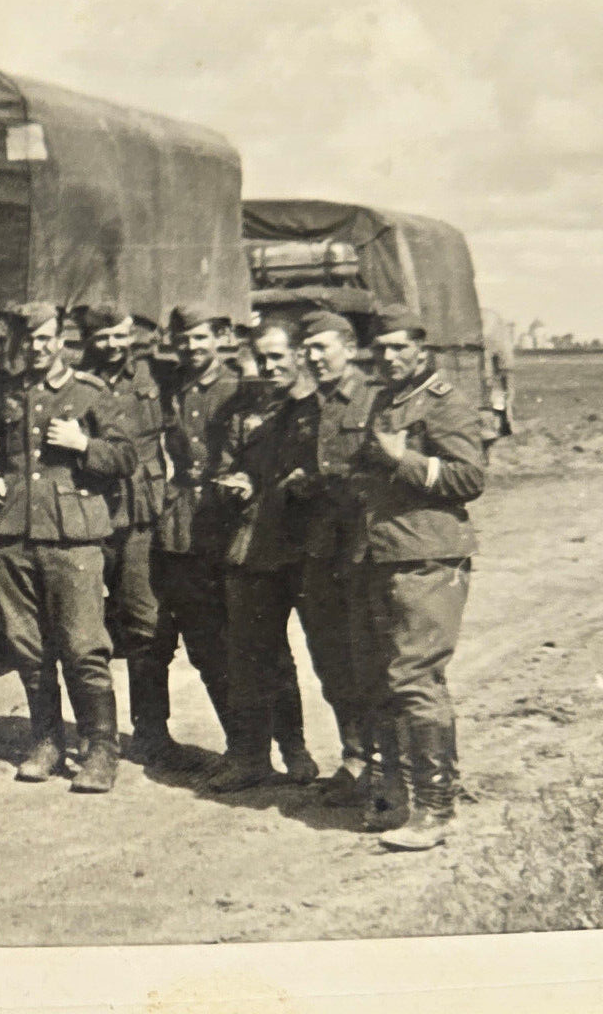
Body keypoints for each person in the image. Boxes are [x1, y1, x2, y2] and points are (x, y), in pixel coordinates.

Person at [0, 302, 136, 793]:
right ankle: (46, 739)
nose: (38, 348)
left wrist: (83, 445)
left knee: (84, 645)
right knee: (28, 646)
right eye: (29, 341)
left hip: (72, 536)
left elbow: (127, 456)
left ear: (63, 341)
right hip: (12, 532)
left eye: (47, 339)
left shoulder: (90, 392)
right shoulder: (5, 390)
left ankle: (101, 746)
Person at [353, 304, 487, 851]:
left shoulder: (445, 403)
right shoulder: (387, 400)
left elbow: (471, 477)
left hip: (429, 557)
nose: (387, 357)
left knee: (415, 676)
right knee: (391, 677)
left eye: (398, 347)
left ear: (421, 349)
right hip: (387, 553)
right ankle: (404, 798)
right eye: (380, 348)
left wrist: (403, 459)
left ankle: (436, 809)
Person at [206, 319, 324, 791]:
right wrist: (234, 485)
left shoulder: (318, 408)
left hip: (311, 548)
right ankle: (254, 755)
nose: (270, 367)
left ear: (299, 355)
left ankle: (334, 758)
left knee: (333, 657)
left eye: (279, 357)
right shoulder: (241, 412)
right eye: (263, 358)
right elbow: (223, 466)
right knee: (254, 655)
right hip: (256, 544)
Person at [287, 310, 382, 805]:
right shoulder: (309, 406)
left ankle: (382, 767)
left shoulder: (375, 398)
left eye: (323, 347)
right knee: (331, 659)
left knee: (370, 656)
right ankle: (354, 758)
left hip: (364, 550)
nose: (314, 357)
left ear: (349, 347)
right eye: (308, 349)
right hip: (320, 550)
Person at [74, 304, 171, 764]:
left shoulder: (158, 373)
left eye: (119, 336)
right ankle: (95, 734)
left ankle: (152, 731)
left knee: (144, 622)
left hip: (140, 516)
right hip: (90, 512)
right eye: (102, 338)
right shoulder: (76, 382)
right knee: (84, 626)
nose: (113, 346)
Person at [148, 304, 240, 760]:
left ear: (220, 337)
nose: (193, 346)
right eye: (185, 340)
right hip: (180, 523)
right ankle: (233, 747)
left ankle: (260, 748)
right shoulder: (172, 389)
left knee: (234, 643)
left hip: (225, 523)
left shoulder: (239, 387)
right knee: (190, 641)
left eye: (201, 338)